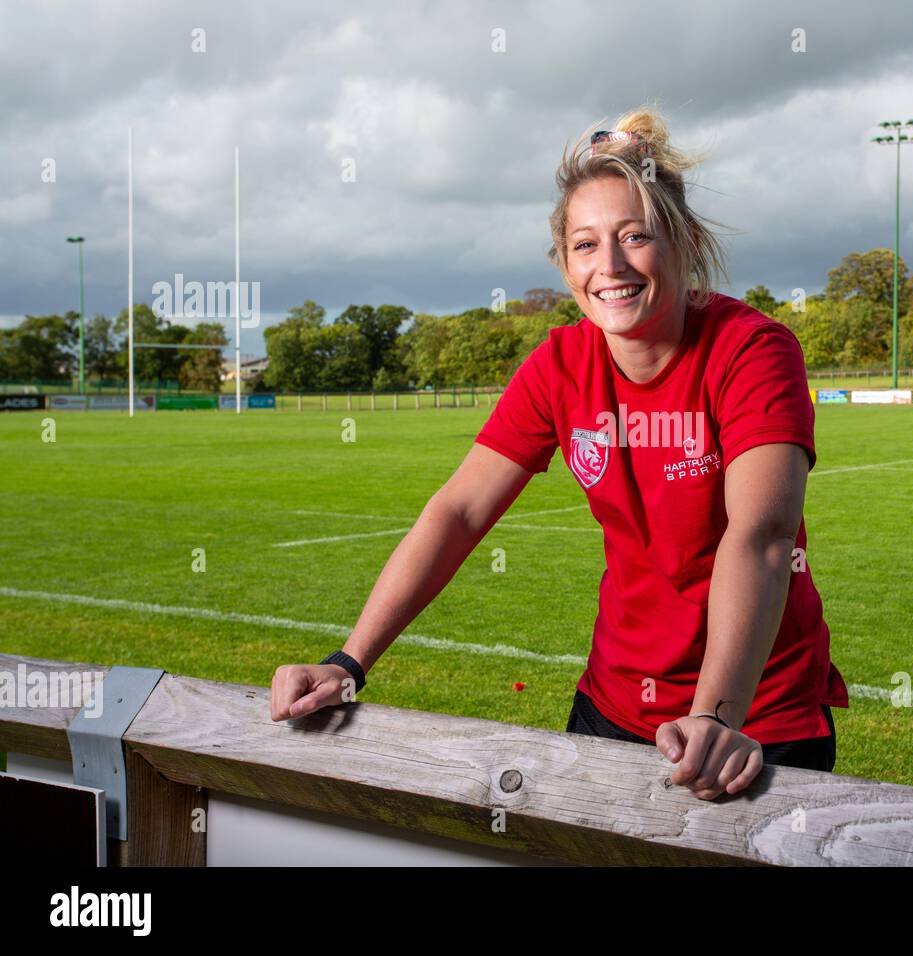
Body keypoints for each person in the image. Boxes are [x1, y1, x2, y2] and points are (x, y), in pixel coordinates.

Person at [271, 105, 849, 800]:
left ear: (685, 242)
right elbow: (458, 512)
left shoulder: (752, 350)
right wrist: (348, 661)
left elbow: (760, 539)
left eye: (636, 237)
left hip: (755, 721)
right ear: (564, 262)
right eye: (585, 244)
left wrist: (715, 715)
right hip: (612, 708)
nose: (610, 265)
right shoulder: (559, 365)